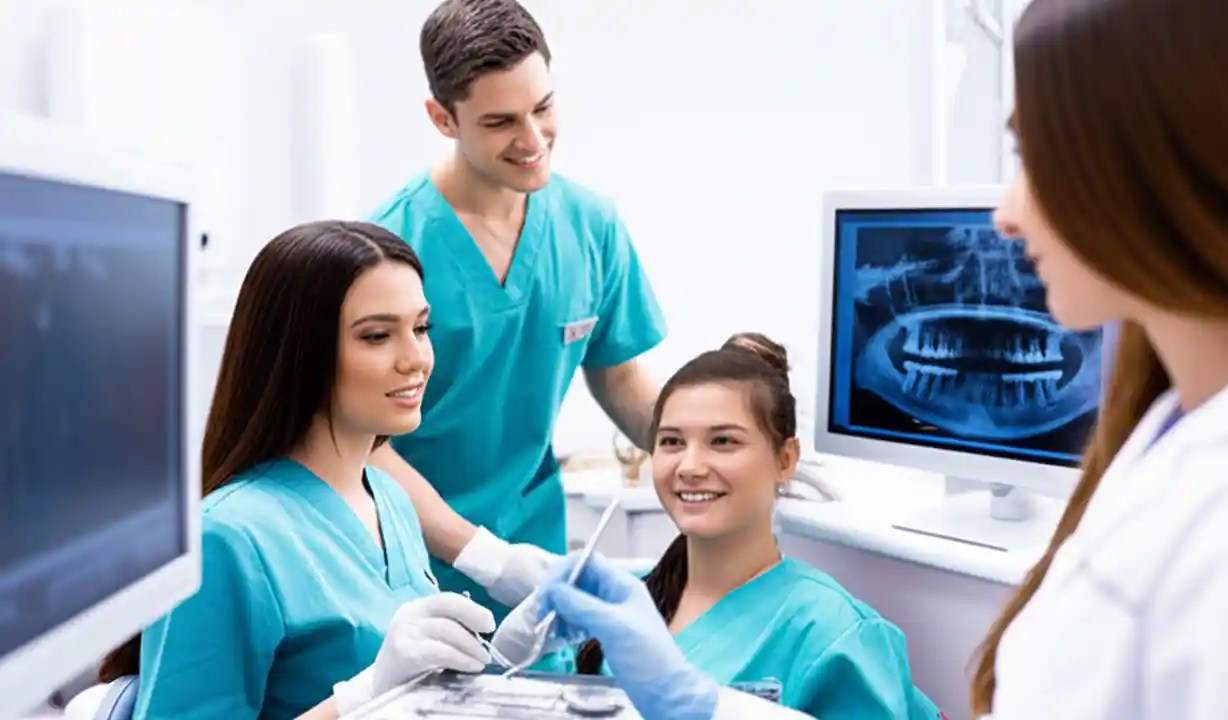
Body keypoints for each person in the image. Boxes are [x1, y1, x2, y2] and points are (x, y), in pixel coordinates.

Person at [533, 0, 1228, 717]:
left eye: (1034, 155)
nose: (1007, 214)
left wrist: (694, 704)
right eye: (673, 440)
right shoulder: (1167, 447)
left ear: (1164, 160)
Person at [98, 222, 496, 719]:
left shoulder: (388, 500)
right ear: (298, 351)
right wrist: (360, 698)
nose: (416, 358)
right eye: (377, 336)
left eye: (420, 328)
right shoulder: (227, 537)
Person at [365, 0, 666, 622]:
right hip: (409, 570)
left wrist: (722, 447)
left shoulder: (592, 225)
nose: (533, 141)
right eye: (501, 121)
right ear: (442, 118)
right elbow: (360, 444)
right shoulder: (386, 248)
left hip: (536, 559)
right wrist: (482, 556)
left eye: (543, 107)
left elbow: (618, 375)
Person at [495, 334, 942, 719]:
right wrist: (511, 657)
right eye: (671, 442)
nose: (689, 466)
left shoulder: (834, 632)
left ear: (786, 458)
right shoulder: (623, 601)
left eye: (723, 441)